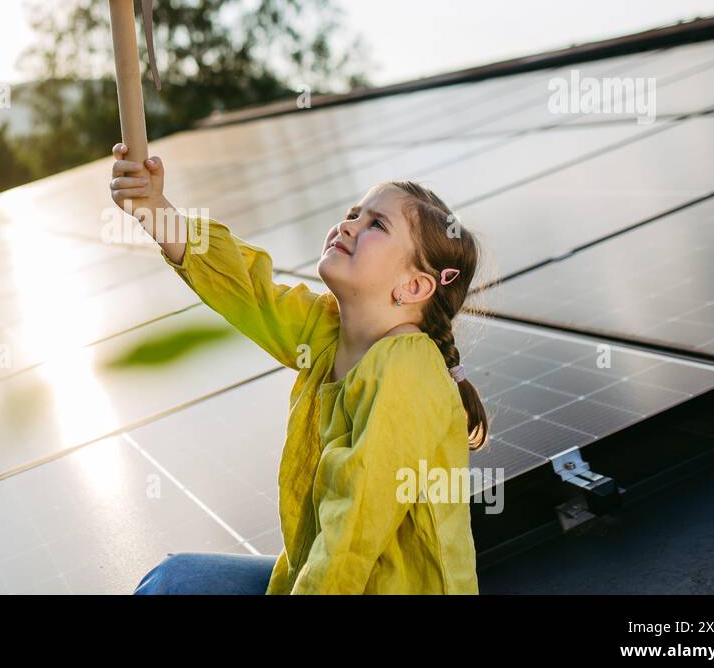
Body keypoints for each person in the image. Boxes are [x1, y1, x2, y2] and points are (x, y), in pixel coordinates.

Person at [111, 142, 487, 595]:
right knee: (173, 582)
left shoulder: (408, 372)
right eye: (354, 212)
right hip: (318, 573)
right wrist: (154, 209)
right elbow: (251, 292)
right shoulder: (327, 331)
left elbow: (353, 529)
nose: (349, 225)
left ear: (413, 285)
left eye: (376, 224)